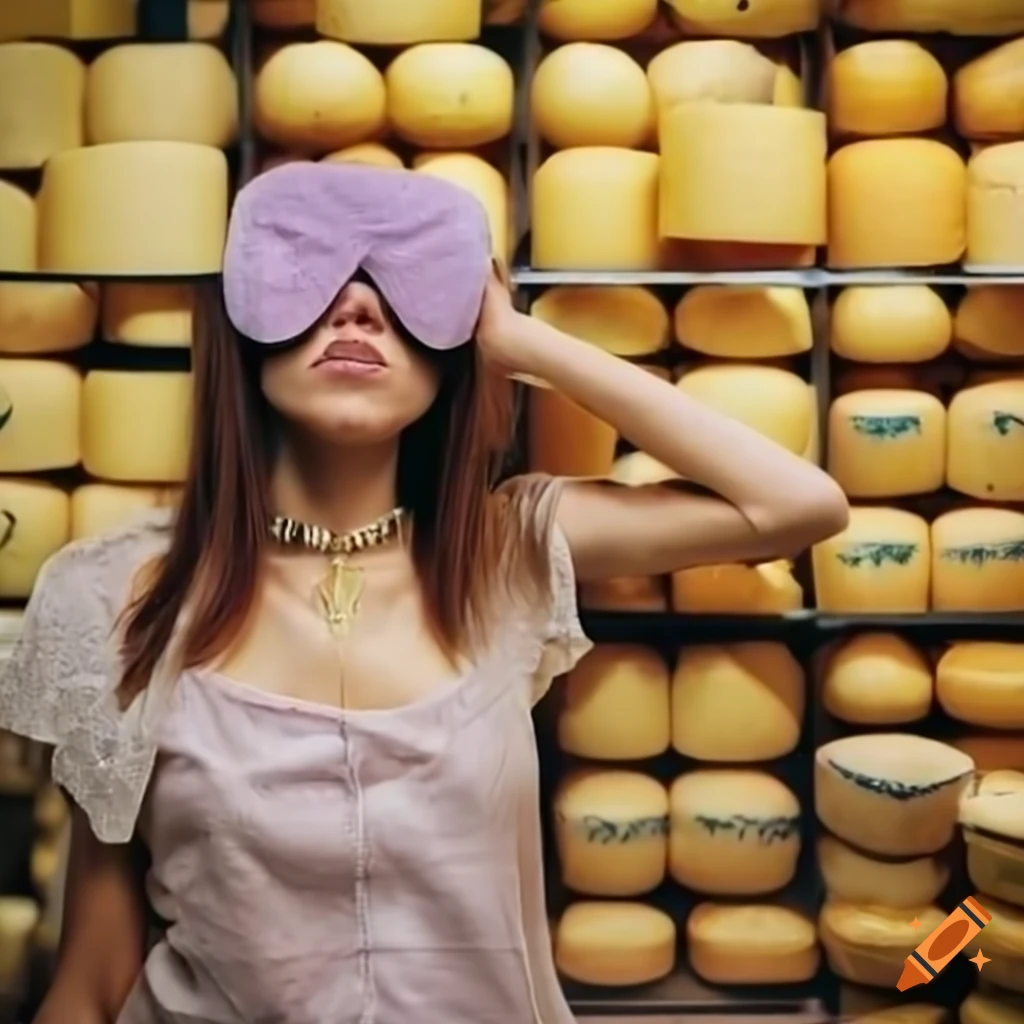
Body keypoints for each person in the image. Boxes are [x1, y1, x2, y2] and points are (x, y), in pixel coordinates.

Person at [0, 164, 848, 1024]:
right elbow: (95, 976)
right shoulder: (113, 595)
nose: (358, 306)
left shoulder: (504, 554)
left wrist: (522, 343)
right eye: (312, 270)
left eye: (406, 286)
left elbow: (797, 505)